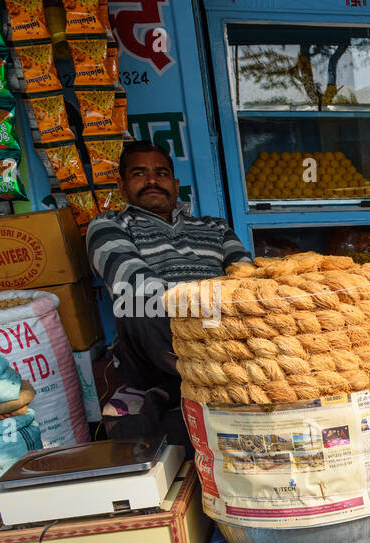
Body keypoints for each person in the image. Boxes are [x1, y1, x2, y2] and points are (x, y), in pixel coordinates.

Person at [86, 140, 252, 447]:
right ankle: (209, 377)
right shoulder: (109, 225)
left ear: (175, 185)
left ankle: (189, 383)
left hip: (221, 331)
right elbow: (134, 283)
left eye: (160, 173)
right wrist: (205, 315)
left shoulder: (214, 227)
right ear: (122, 185)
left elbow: (246, 279)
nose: (151, 180)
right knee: (136, 304)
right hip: (160, 341)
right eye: (139, 173)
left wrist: (218, 319)